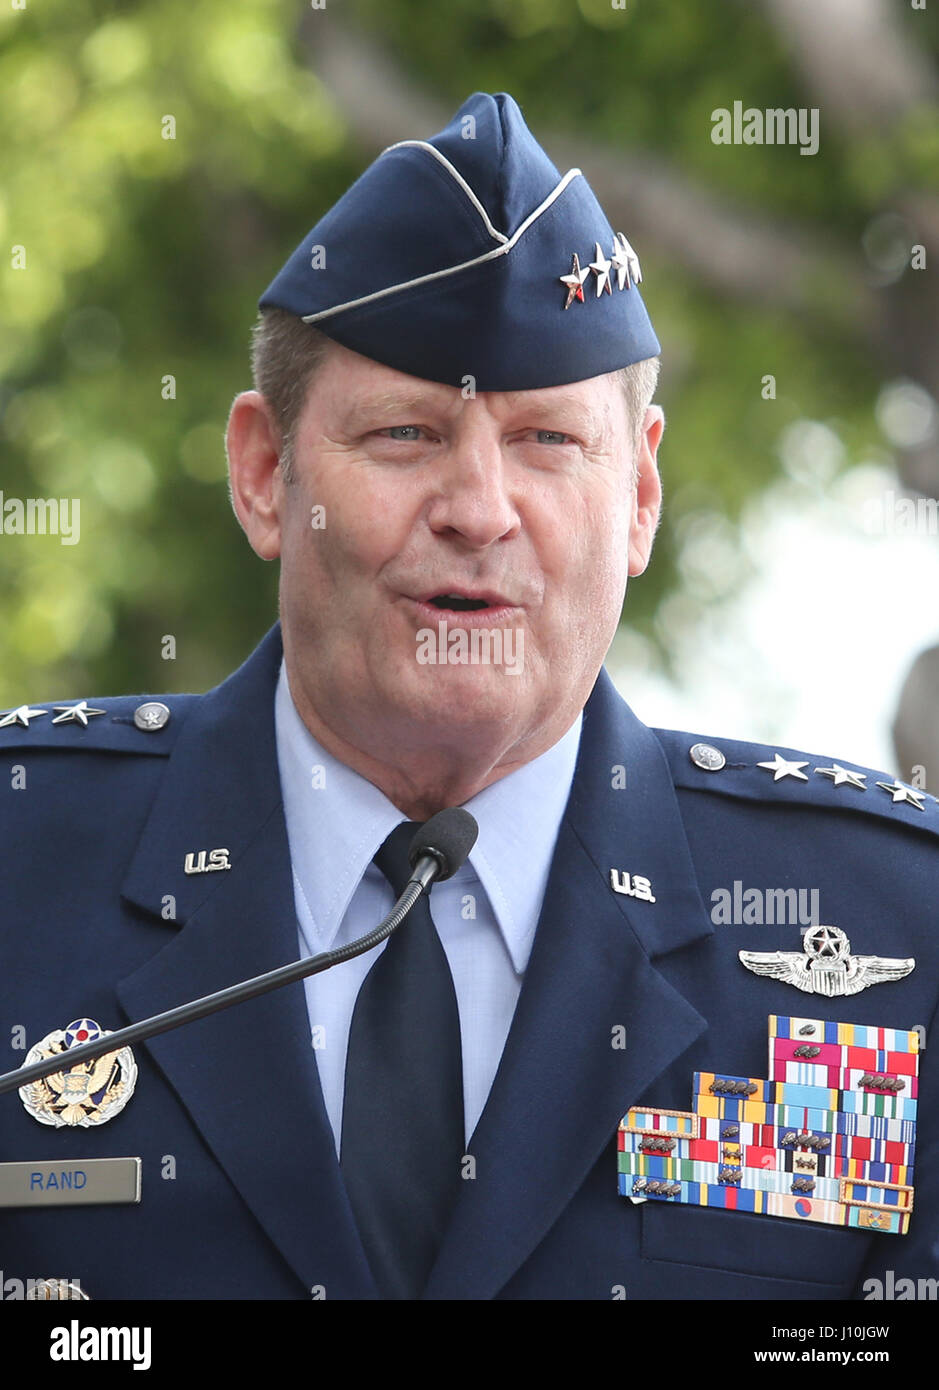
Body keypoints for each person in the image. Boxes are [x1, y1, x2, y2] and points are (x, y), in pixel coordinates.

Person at [0, 93, 936, 1303]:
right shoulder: (22, 863)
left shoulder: (900, 931)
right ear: (265, 474)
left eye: (549, 442)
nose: (480, 507)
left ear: (641, 493)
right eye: (404, 434)